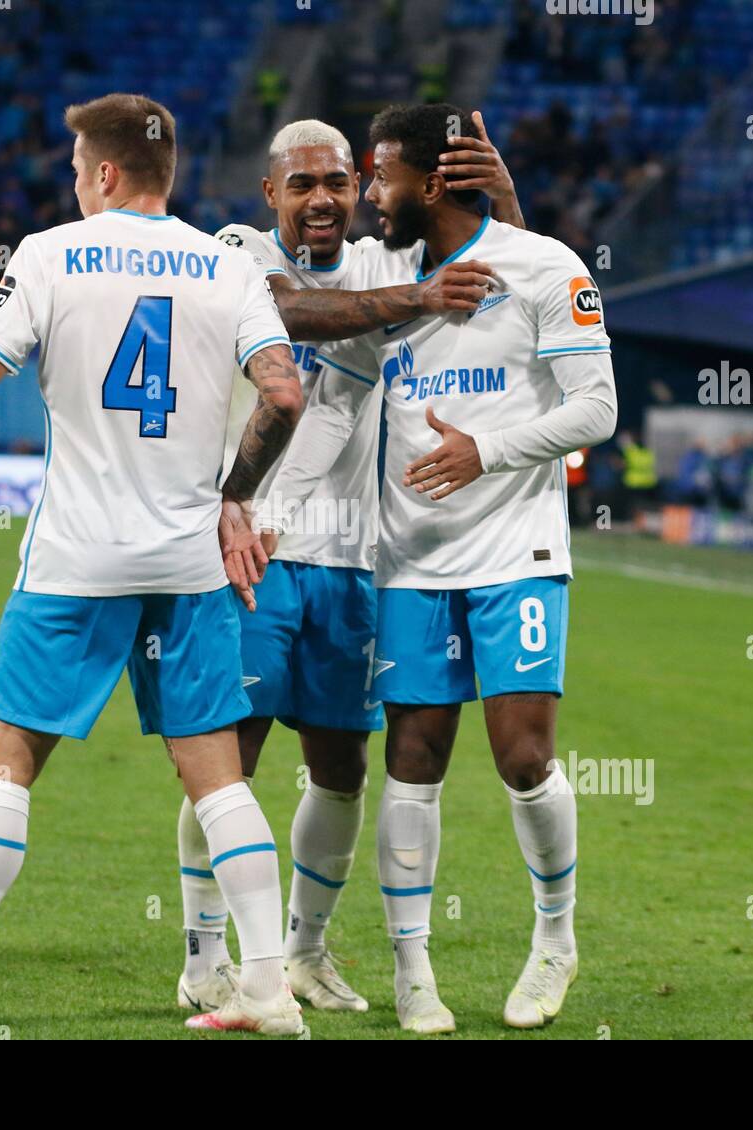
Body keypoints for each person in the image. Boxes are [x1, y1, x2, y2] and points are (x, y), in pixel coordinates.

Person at [0, 94, 307, 1035]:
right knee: (218, 778)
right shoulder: (227, 267)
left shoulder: (48, 254)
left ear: (104, 173)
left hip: (76, 554)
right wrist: (234, 494)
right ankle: (269, 990)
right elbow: (284, 393)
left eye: (76, 165)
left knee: (7, 758)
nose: (73, 180)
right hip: (187, 558)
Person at [259, 103, 617, 1033]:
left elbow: (596, 411)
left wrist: (484, 453)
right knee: (411, 765)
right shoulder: (394, 282)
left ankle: (554, 941)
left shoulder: (547, 268)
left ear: (431, 183)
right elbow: (311, 329)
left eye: (379, 177)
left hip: (517, 552)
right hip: (409, 561)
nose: (369, 196)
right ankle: (414, 975)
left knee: (524, 757)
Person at [173, 114, 526, 1015]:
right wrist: (418, 300)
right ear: (271, 194)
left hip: (354, 559)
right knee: (231, 759)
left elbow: (504, 281)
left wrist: (506, 197)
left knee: (341, 768)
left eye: (339, 181)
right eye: (302, 184)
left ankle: (304, 952)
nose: (322, 199)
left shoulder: (383, 259)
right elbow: (294, 314)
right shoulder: (234, 250)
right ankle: (204, 954)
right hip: (249, 548)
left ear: (360, 185)